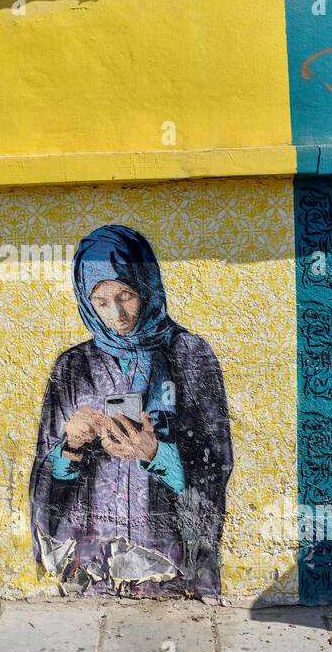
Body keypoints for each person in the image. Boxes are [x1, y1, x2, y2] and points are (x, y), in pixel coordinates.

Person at [28, 224, 233, 596]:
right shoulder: (73, 366)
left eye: (126, 295)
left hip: (168, 568)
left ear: (147, 287)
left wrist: (155, 453)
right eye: (101, 301)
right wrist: (71, 446)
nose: (117, 314)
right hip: (92, 568)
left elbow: (217, 464)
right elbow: (44, 478)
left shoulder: (188, 354)